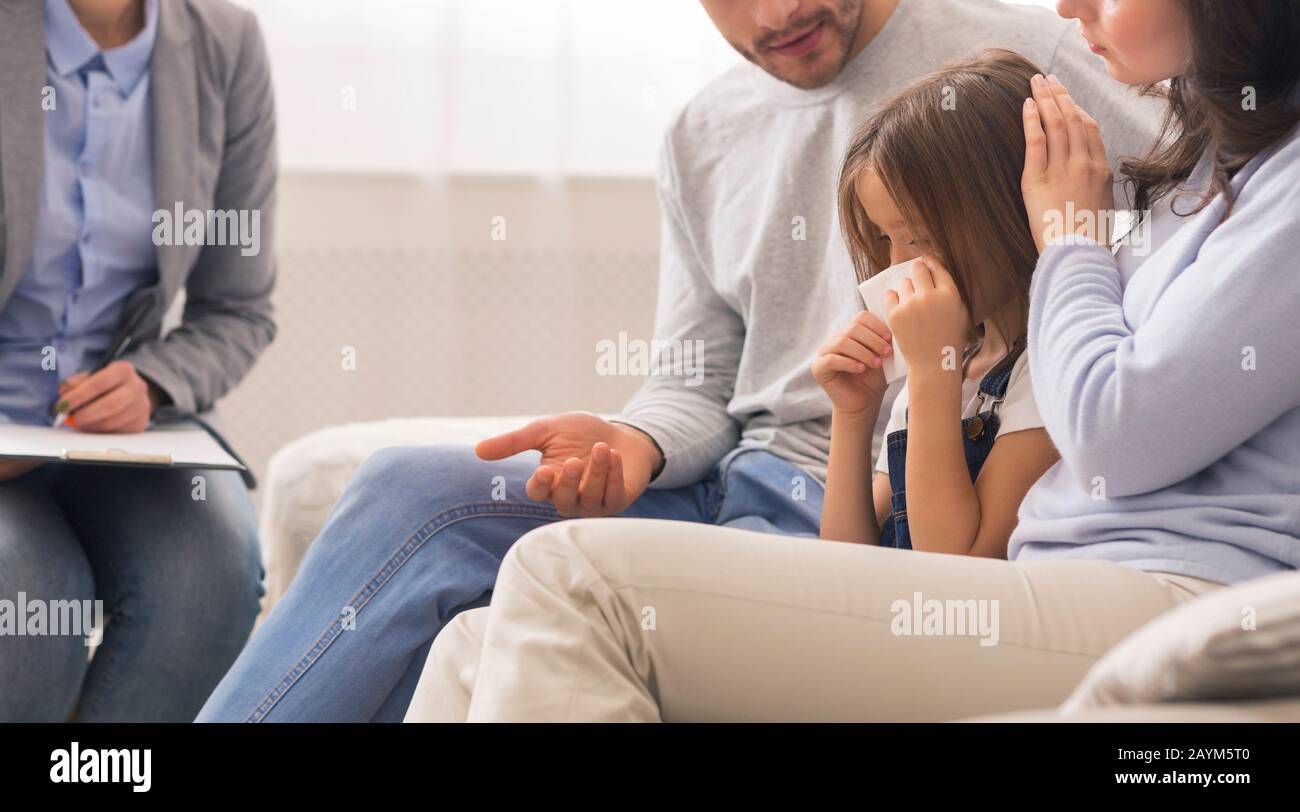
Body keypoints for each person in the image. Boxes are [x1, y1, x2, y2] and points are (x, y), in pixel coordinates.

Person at [199, 0, 1157, 722]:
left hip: (858, 512)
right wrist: (634, 443)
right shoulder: (702, 134)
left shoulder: (1043, 60)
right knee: (414, 490)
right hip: (729, 479)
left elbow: (1200, 213)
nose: (776, 15)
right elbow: (695, 380)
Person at [407, 0, 1300, 722]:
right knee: (474, 643)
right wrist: (857, 412)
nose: (1068, 9)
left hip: (1166, 592)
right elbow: (858, 552)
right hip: (1069, 582)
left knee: (566, 573)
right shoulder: (1208, 178)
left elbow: (1106, 440)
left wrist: (1063, 237)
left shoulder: (1054, 323)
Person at [0, 0, 276, 721]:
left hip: (123, 436)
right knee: (28, 598)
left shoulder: (227, 43)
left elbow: (238, 309)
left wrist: (155, 382)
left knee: (210, 579)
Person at [816, 49, 1059, 555]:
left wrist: (932, 376)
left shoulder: (1049, 367)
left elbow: (956, 572)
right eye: (884, 240)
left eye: (919, 238)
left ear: (1009, 212)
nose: (897, 267)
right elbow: (842, 570)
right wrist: (854, 416)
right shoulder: (956, 364)